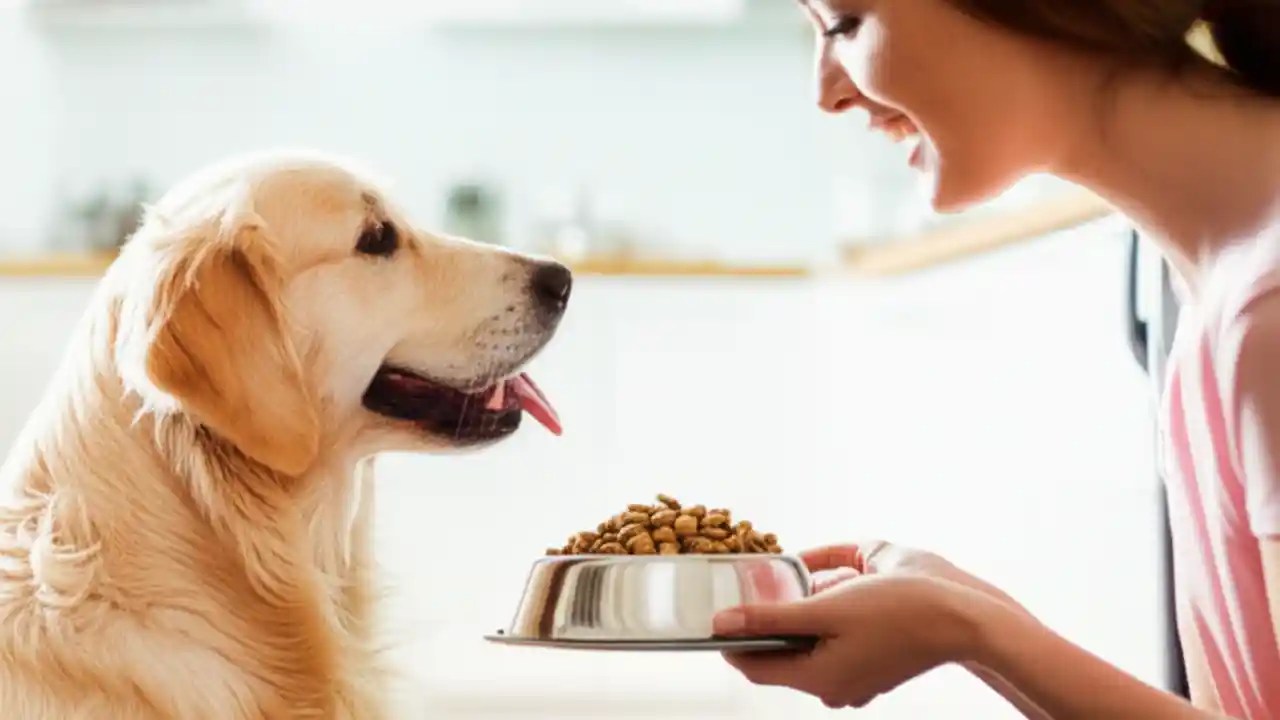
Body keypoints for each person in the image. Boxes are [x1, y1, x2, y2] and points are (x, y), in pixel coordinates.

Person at [713, 1, 1280, 717]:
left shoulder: (1266, 299)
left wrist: (974, 631)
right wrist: (968, 619)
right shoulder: (1211, 289)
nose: (826, 92)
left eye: (846, 23)